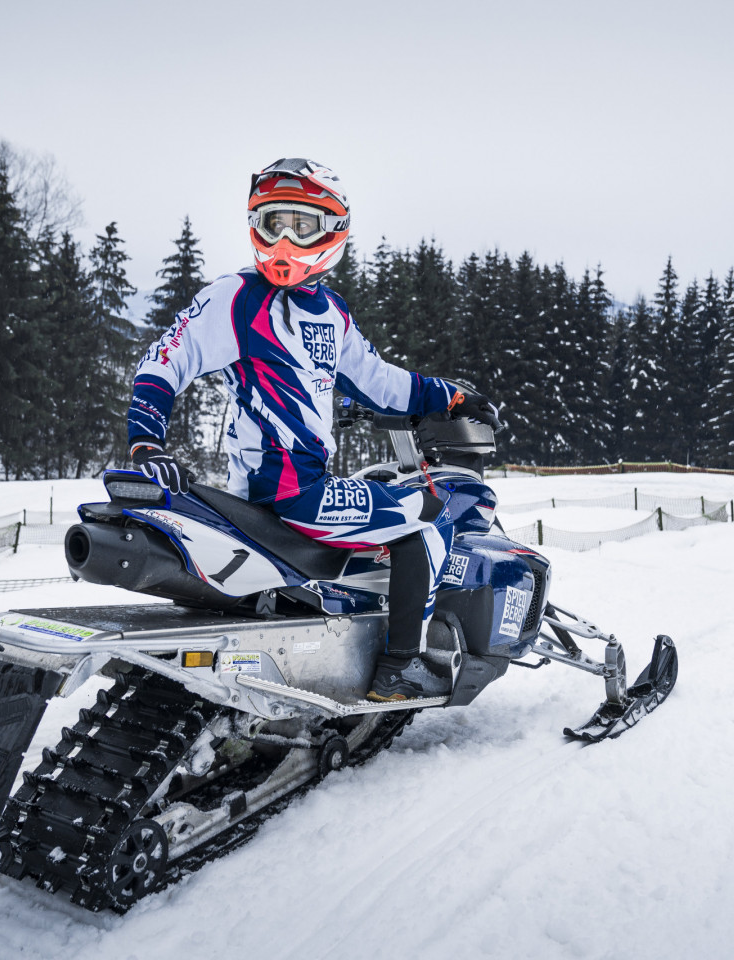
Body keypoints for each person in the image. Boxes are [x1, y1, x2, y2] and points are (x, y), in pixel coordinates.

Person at [126, 158, 498, 701]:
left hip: (287, 491)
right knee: (431, 516)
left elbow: (380, 383)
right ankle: (401, 668)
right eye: (273, 223)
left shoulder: (331, 314)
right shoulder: (237, 297)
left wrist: (450, 394)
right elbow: (166, 360)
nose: (283, 240)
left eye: (301, 225)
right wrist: (146, 441)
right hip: (293, 495)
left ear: (333, 230)